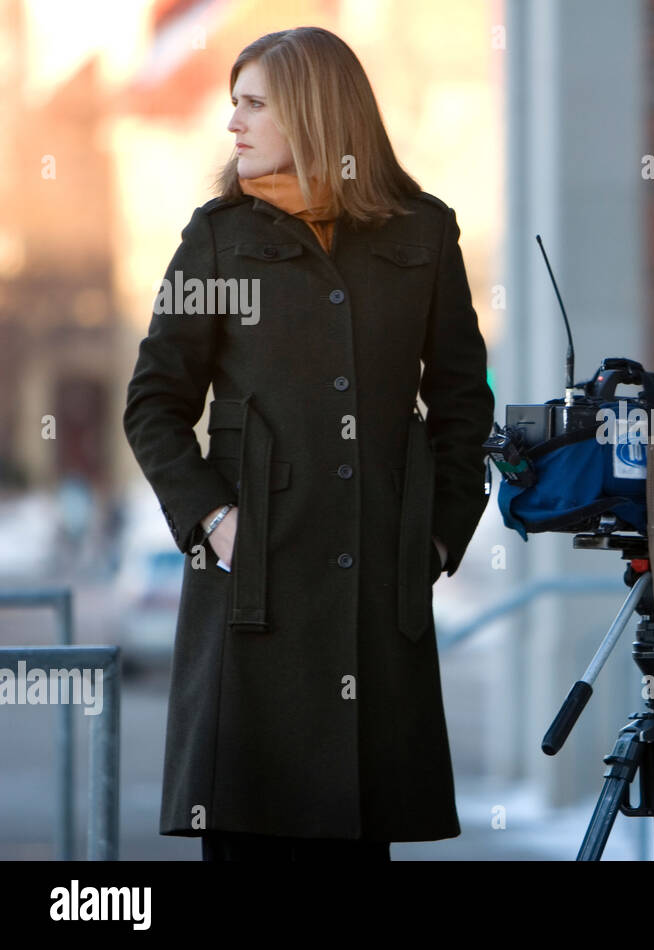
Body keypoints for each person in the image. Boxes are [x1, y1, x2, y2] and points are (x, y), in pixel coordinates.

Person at [122, 26, 494, 861]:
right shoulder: (216, 238)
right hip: (251, 601)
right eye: (235, 103)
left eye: (253, 104)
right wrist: (214, 522)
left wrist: (434, 538)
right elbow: (152, 404)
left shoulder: (422, 235)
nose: (234, 124)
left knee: (358, 839)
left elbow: (467, 404)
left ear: (313, 111)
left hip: (376, 607)